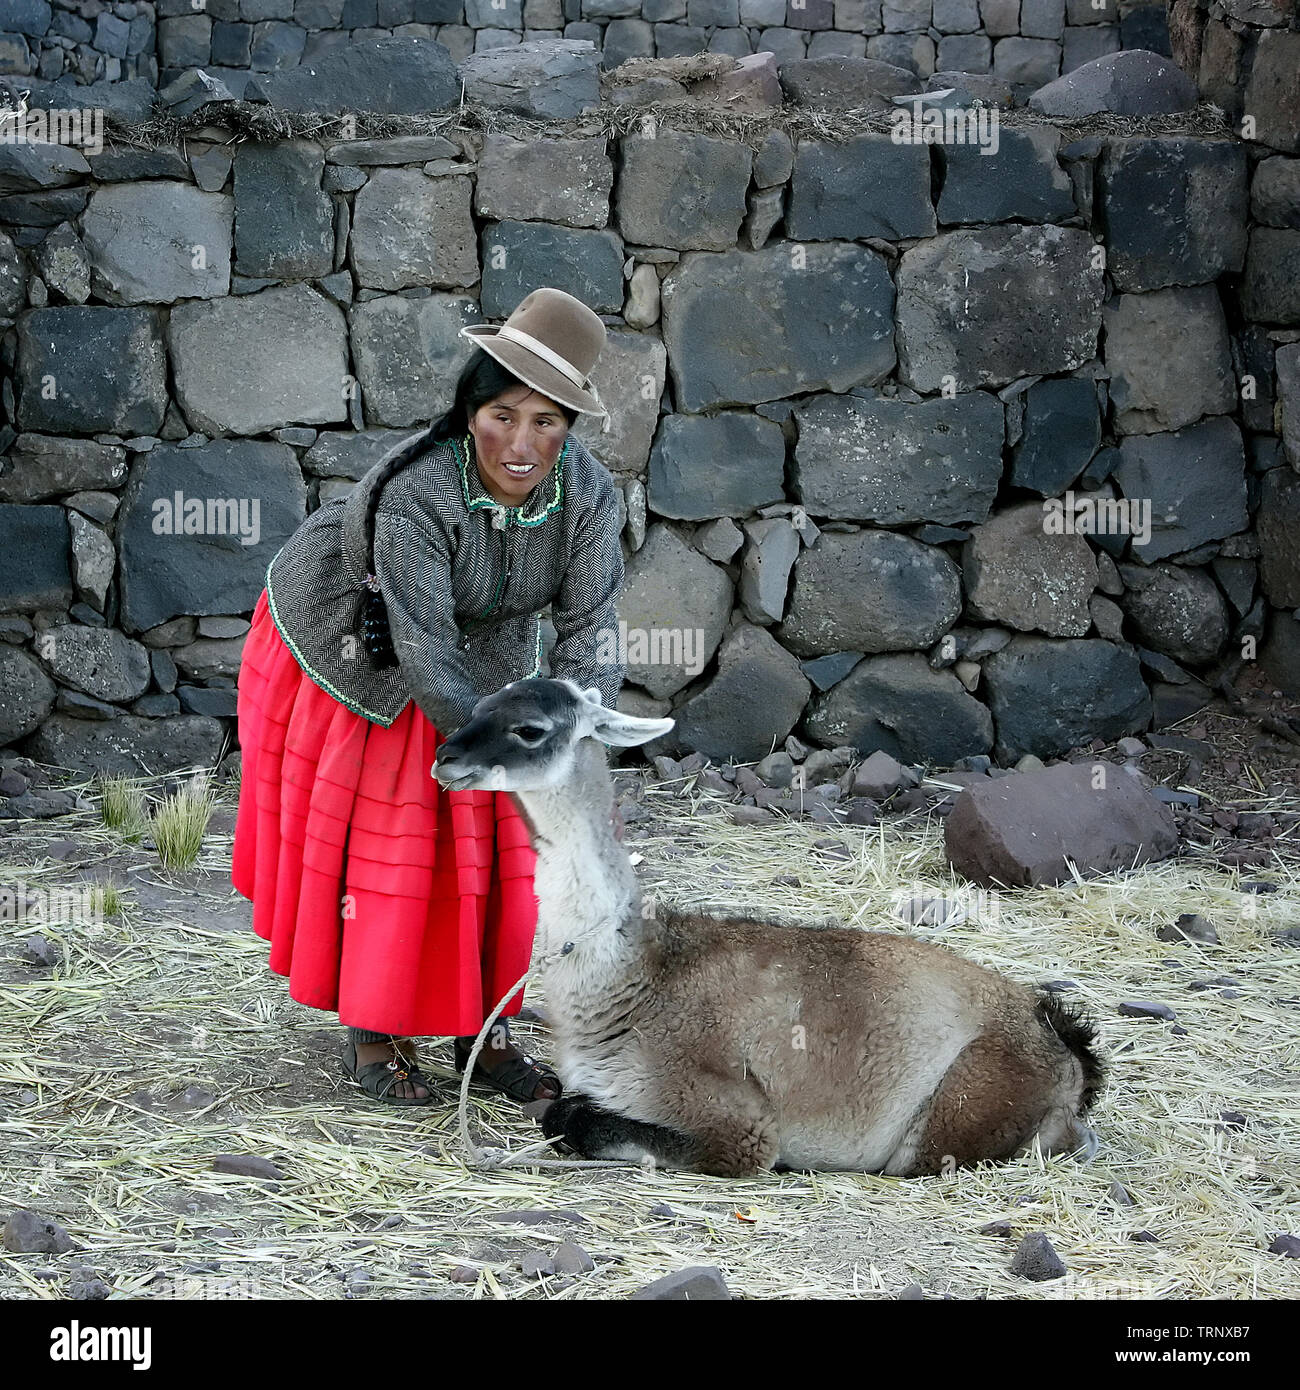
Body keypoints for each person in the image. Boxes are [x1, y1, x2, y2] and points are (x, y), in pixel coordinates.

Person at [230, 288, 626, 1105]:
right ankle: (374, 1031)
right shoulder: (415, 493)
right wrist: (494, 748)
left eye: (547, 421)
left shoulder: (587, 498)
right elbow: (422, 644)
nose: (522, 443)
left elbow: (591, 626)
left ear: (569, 429)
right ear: (469, 407)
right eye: (503, 415)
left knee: (509, 852)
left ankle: (488, 1028)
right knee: (399, 836)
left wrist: (571, 733)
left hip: (488, 647)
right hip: (363, 645)